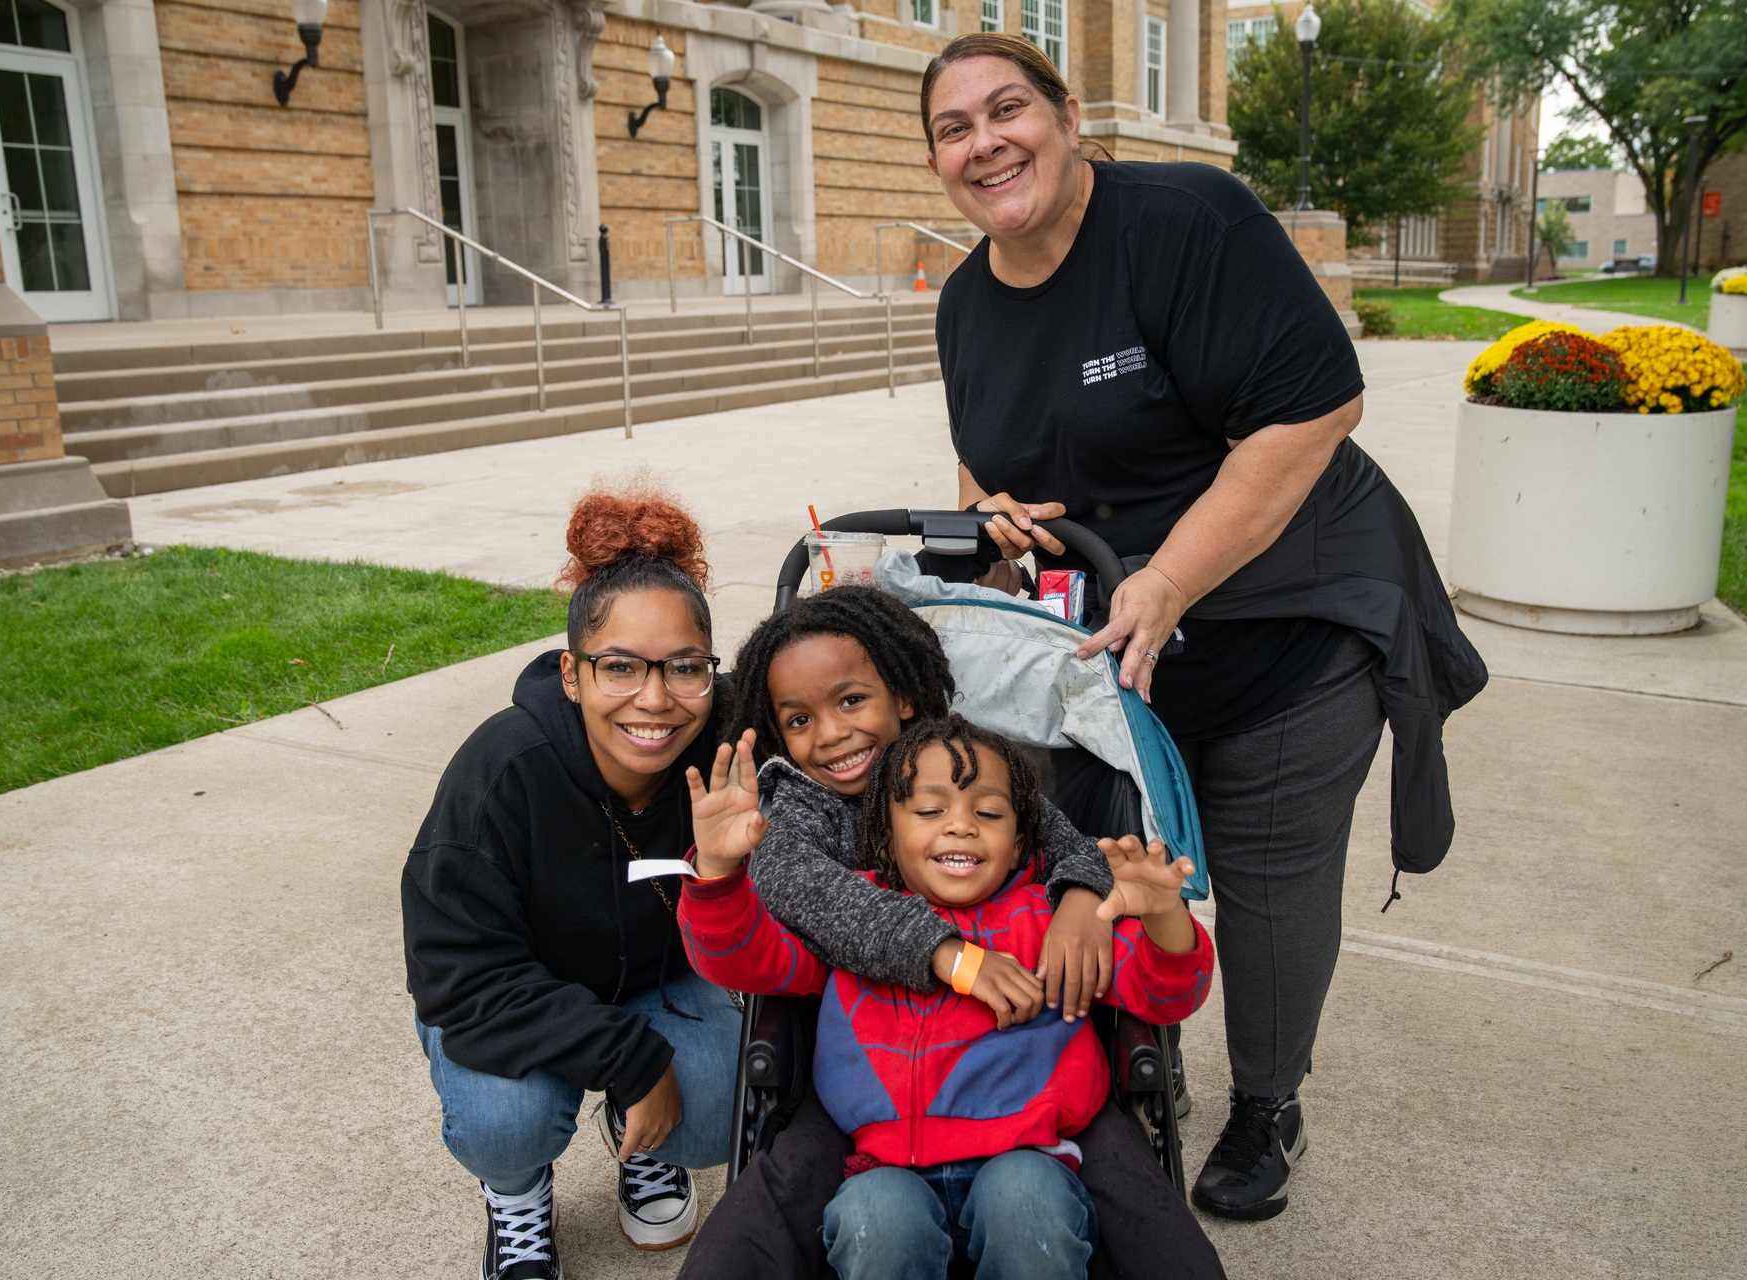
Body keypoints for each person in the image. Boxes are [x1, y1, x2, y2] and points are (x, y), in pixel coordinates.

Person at [922, 33, 1488, 1221]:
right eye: (954, 129)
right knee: (1101, 864)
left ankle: (1268, 1100)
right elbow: (982, 462)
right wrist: (997, 517)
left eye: (1007, 109)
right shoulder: (967, 297)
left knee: (1274, 882)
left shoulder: (1187, 220)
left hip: (1294, 618)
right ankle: (1125, 1065)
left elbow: (1315, 404)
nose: (985, 143)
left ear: (1068, 117)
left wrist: (1172, 575)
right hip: (1119, 647)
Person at [675, 586, 1227, 1279]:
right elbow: (783, 908)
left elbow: (1064, 842)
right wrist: (947, 954)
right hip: (870, 1078)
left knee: (1145, 1222)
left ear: (904, 695)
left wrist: (1086, 897)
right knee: (769, 1223)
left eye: (852, 701)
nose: (833, 733)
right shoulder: (798, 808)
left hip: (1028, 1099)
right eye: (800, 718)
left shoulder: (974, 772)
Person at [401, 486, 742, 1280]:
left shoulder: (730, 745)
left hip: (662, 979)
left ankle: (642, 1141)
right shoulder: (501, 772)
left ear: (709, 670)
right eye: (620, 667)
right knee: (503, 1124)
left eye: (684, 668)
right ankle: (517, 1195)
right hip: (519, 996)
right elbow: (458, 977)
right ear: (572, 673)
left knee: (723, 1106)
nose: (654, 700)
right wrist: (634, 1060)